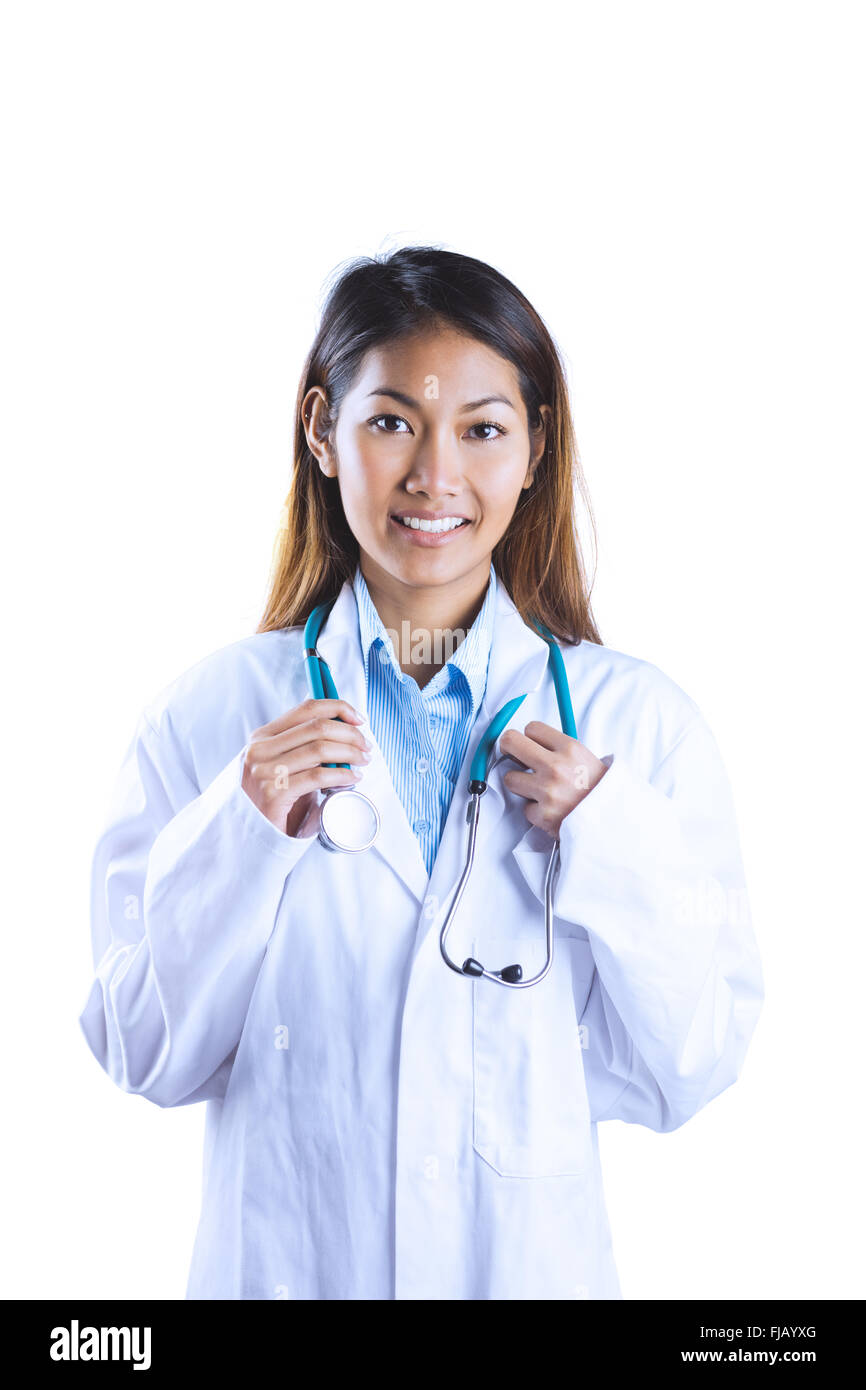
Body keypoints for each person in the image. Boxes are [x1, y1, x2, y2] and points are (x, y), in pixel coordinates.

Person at [78, 245, 764, 1300]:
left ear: (534, 449)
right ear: (320, 430)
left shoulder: (638, 731)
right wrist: (241, 828)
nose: (434, 476)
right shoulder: (211, 721)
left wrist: (608, 836)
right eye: (391, 420)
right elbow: (142, 1050)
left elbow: (689, 1065)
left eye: (483, 429)